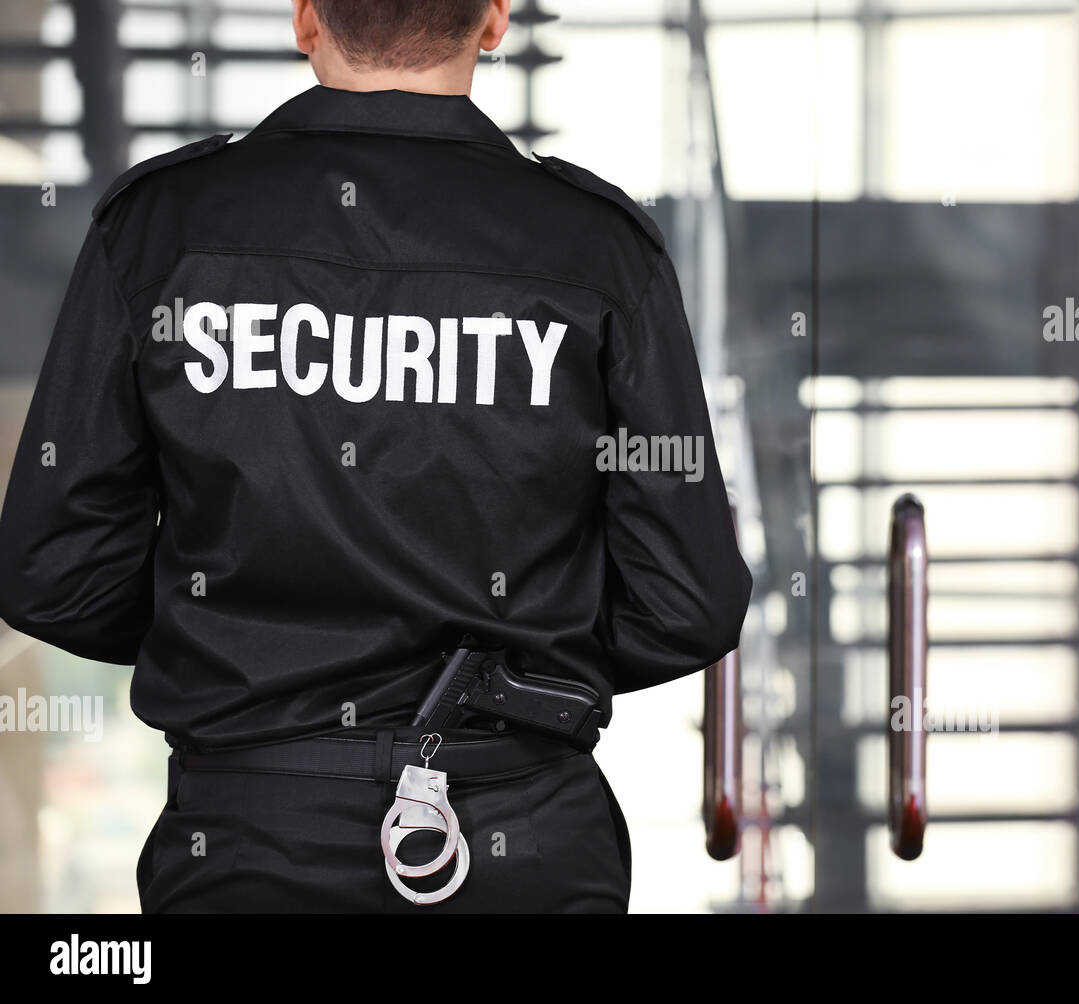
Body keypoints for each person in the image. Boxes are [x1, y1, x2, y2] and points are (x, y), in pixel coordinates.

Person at [0, 0, 751, 913]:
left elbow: (53, 572)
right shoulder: (596, 246)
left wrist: (230, 650)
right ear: (495, 21)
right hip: (523, 836)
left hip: (248, 840)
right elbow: (691, 601)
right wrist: (523, 674)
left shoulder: (163, 228)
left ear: (306, 19)